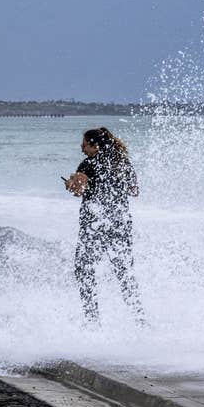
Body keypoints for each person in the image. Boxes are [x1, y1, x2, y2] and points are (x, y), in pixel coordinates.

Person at [64, 127, 145, 325]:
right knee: (124, 272)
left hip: (95, 224)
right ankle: (139, 319)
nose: (82, 148)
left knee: (83, 269)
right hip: (120, 223)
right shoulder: (122, 162)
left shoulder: (89, 163)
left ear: (95, 145)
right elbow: (134, 190)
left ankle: (92, 320)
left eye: (84, 144)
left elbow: (78, 189)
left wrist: (71, 183)